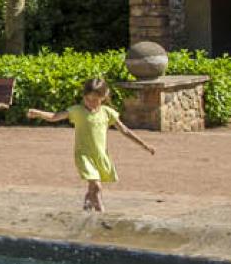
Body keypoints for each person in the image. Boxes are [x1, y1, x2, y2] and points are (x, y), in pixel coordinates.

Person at [28, 77, 155, 212]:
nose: (91, 103)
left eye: (95, 100)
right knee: (97, 186)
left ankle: (87, 208)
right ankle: (101, 212)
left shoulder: (107, 112)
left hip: (100, 155)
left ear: (103, 97)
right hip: (84, 155)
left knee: (92, 188)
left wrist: (144, 145)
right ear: (83, 97)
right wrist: (38, 113)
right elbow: (55, 117)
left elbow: (125, 130)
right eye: (88, 99)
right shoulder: (77, 111)